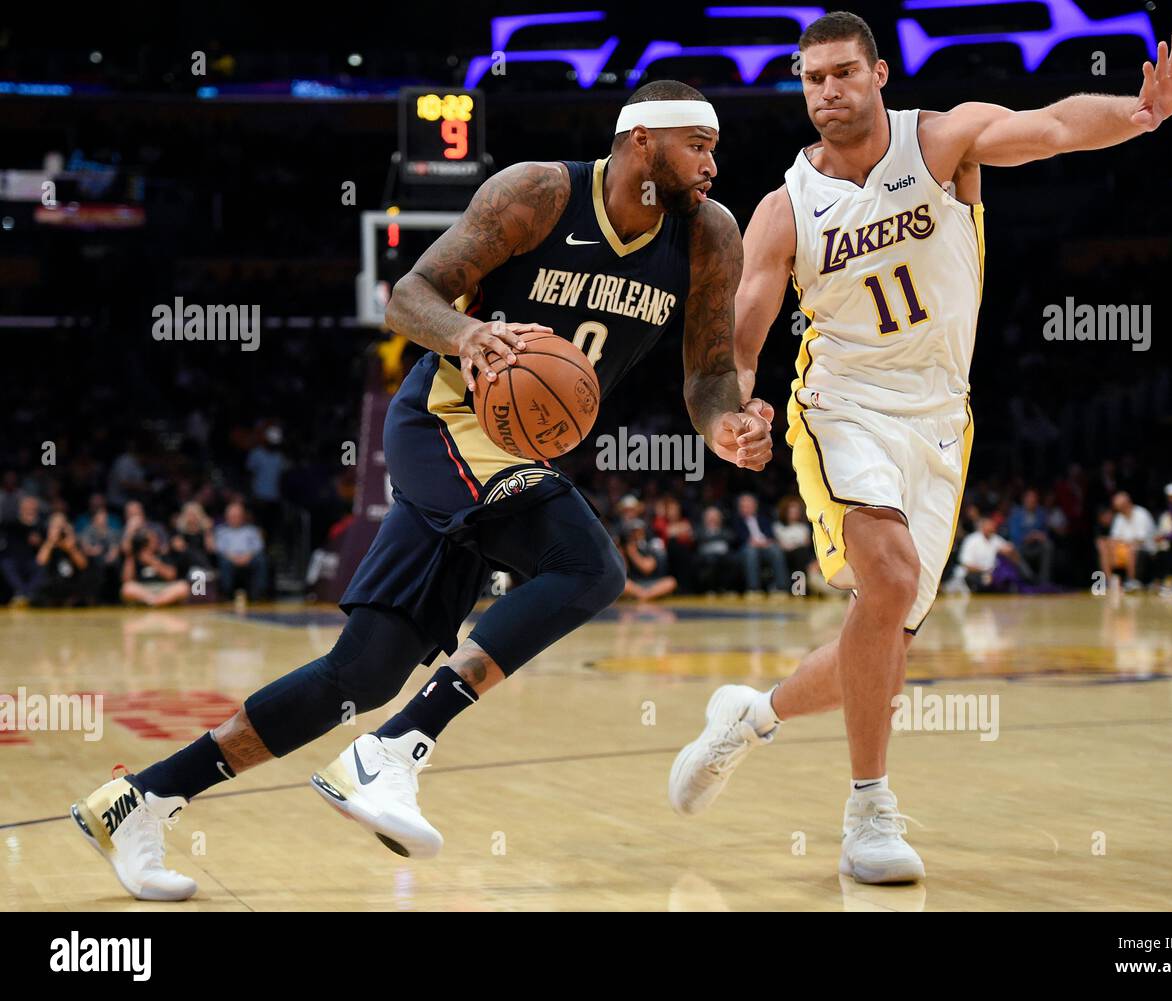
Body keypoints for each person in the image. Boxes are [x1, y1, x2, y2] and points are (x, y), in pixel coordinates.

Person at [72, 81, 775, 901]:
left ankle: (140, 800)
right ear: (641, 142)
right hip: (442, 418)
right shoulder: (540, 192)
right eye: (699, 144)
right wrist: (470, 332)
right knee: (588, 567)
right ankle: (397, 748)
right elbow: (409, 295)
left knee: (360, 674)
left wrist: (725, 424)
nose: (713, 164)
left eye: (715, 148)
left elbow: (709, 372)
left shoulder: (708, 236)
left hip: (513, 453)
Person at [669, 10, 1172, 884]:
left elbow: (1057, 127)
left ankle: (749, 716)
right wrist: (733, 415)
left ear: (880, 76)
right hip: (841, 408)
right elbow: (738, 340)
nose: (828, 90)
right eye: (812, 79)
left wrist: (1139, 114)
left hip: (941, 418)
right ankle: (869, 810)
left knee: (880, 646)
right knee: (889, 579)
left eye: (844, 72)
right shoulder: (784, 207)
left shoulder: (944, 142)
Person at [733, 492, 789, 594]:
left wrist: (766, 542)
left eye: (750, 505)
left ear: (755, 506)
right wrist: (751, 541)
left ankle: (781, 587)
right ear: (740, 508)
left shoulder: (763, 519)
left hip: (765, 546)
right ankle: (754, 589)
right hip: (746, 548)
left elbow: (771, 535)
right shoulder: (736, 521)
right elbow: (736, 538)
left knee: (776, 550)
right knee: (751, 551)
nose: (747, 508)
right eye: (744, 506)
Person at [1100, 491, 1157, 591]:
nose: (1119, 509)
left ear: (1127, 503)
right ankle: (1109, 582)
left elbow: (1140, 540)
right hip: (1125, 549)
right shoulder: (1119, 517)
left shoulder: (1141, 514)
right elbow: (1114, 538)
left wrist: (1122, 543)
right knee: (1104, 546)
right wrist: (1111, 544)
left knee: (1131, 547)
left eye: (1120, 506)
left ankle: (1132, 581)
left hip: (1145, 549)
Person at [214, 501, 270, 601]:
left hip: (249, 557)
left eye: (237, 516)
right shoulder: (221, 531)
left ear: (242, 516)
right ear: (227, 517)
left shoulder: (252, 530)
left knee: (261, 560)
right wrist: (233, 558)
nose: (235, 518)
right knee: (224, 562)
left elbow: (258, 547)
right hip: (229, 558)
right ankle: (226, 595)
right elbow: (219, 549)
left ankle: (260, 594)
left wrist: (247, 556)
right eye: (232, 516)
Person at [0, 495, 44, 607]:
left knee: (41, 566)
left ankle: (25, 594)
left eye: (33, 508)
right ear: (21, 509)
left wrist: (38, 541)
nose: (30, 510)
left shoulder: (40, 524)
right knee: (6, 565)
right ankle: (24, 593)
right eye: (27, 508)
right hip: (12, 559)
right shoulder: (10, 522)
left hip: (31, 559)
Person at [621, 518, 677, 601]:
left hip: (653, 583)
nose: (636, 535)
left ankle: (643, 595)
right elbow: (622, 570)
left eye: (638, 531)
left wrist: (632, 553)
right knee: (622, 584)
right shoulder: (626, 548)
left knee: (671, 582)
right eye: (633, 532)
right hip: (635, 583)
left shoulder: (651, 546)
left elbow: (647, 568)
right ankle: (645, 595)